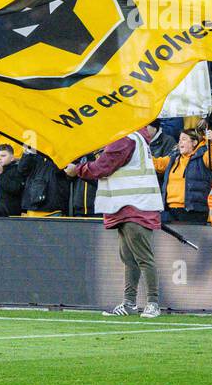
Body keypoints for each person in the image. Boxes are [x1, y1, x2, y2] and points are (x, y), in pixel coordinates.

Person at [65, 128, 166, 317]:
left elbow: (103, 166)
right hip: (129, 205)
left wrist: (77, 169)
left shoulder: (125, 138)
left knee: (142, 258)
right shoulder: (135, 137)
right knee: (130, 258)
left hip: (134, 205)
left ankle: (153, 302)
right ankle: (129, 303)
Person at [155, 127, 212, 225]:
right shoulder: (174, 158)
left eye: (184, 139)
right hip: (171, 211)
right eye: (179, 139)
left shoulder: (203, 157)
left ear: (194, 143)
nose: (180, 142)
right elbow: (158, 164)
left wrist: (211, 142)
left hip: (194, 212)